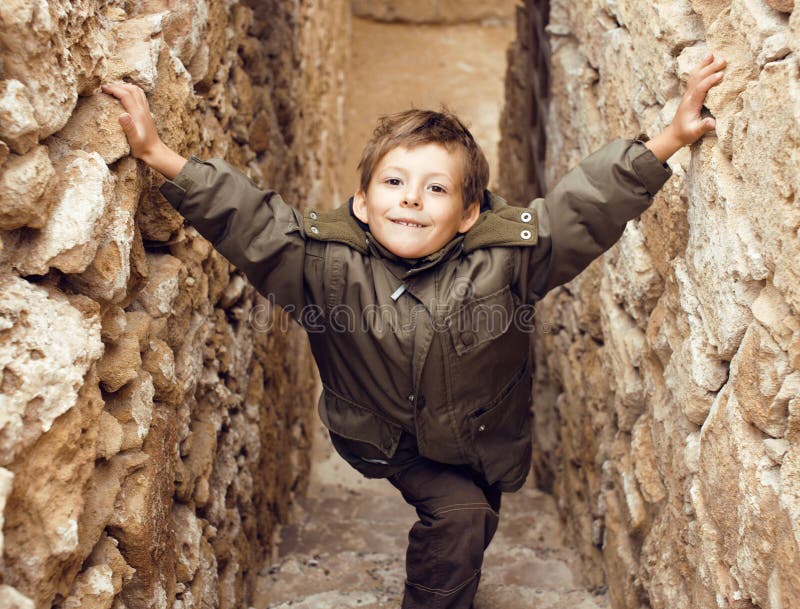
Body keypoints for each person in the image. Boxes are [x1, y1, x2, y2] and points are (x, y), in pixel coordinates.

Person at [102, 52, 726, 609]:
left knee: (475, 518)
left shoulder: (508, 259)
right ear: (362, 201)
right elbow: (250, 221)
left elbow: (582, 208)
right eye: (394, 184)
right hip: (392, 437)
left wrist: (668, 138)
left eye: (436, 189)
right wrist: (161, 157)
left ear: (468, 214)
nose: (411, 200)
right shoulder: (324, 264)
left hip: (483, 436)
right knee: (459, 518)